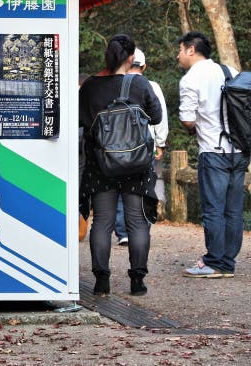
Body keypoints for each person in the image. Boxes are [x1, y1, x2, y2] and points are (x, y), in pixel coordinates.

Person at [79, 34, 163, 296]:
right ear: (130, 58)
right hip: (135, 163)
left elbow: (82, 121)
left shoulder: (91, 85)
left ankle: (101, 280)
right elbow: (156, 116)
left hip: (101, 162)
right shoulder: (139, 83)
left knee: (102, 221)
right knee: (137, 222)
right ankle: (137, 281)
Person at [177, 31, 250, 278]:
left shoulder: (190, 79)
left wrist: (201, 125)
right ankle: (227, 262)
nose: (178, 56)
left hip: (213, 151)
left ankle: (215, 262)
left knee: (213, 210)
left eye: (180, 50)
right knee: (233, 209)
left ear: (190, 49)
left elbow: (187, 119)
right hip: (239, 150)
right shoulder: (228, 70)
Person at [114, 48, 169, 245]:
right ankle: (141, 229)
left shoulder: (114, 83)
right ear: (144, 66)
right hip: (145, 145)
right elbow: (160, 117)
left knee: (120, 185)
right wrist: (161, 142)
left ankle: (123, 231)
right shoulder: (151, 85)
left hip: (117, 146)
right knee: (145, 185)